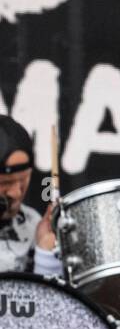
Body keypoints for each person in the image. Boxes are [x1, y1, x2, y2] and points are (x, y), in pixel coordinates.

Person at [0, 115, 60, 276]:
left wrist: (46, 255)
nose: (16, 192)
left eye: (23, 180)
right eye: (5, 182)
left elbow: (47, 300)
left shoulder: (31, 222)